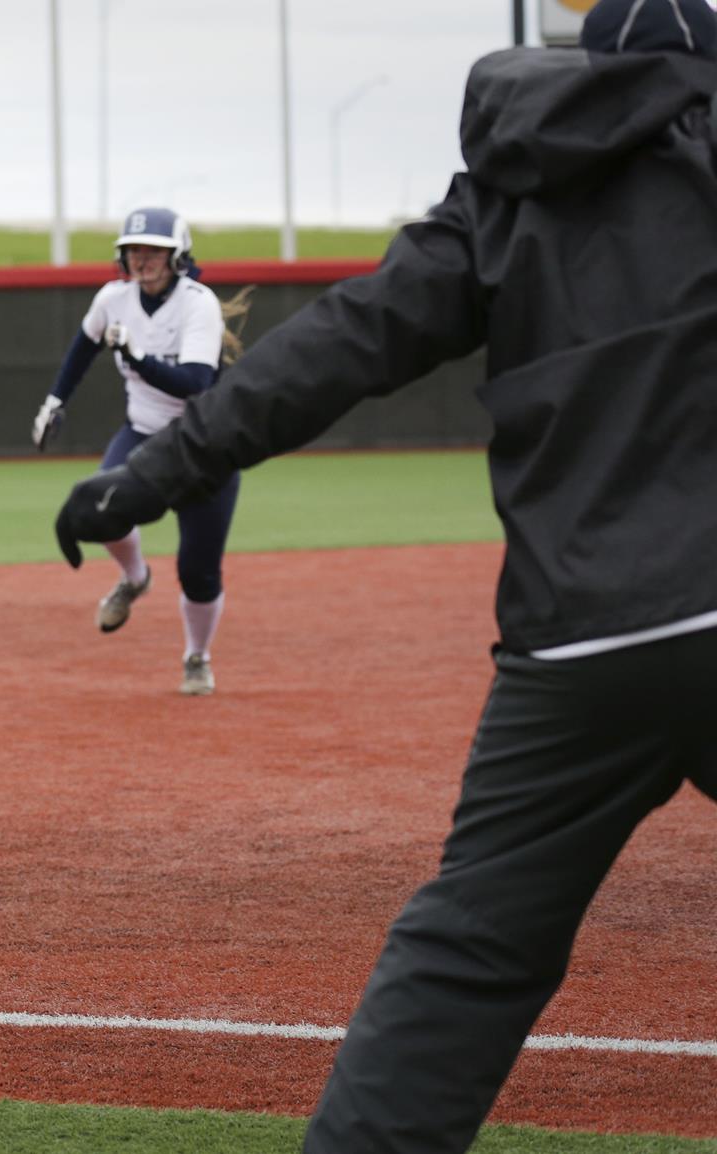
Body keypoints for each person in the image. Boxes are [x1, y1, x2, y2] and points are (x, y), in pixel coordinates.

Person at [53, 3, 717, 1148]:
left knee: (467, 950)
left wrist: (146, 476)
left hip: (576, 642)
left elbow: (334, 347)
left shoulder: (509, 185)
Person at [29, 208, 250, 695]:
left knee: (198, 570)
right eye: (134, 251)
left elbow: (195, 383)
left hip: (203, 443)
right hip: (144, 433)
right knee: (98, 512)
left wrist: (136, 356)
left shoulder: (198, 303)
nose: (142, 260)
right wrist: (55, 401)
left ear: (178, 256)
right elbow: (83, 346)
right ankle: (135, 577)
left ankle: (197, 656)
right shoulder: (115, 297)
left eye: (153, 251)